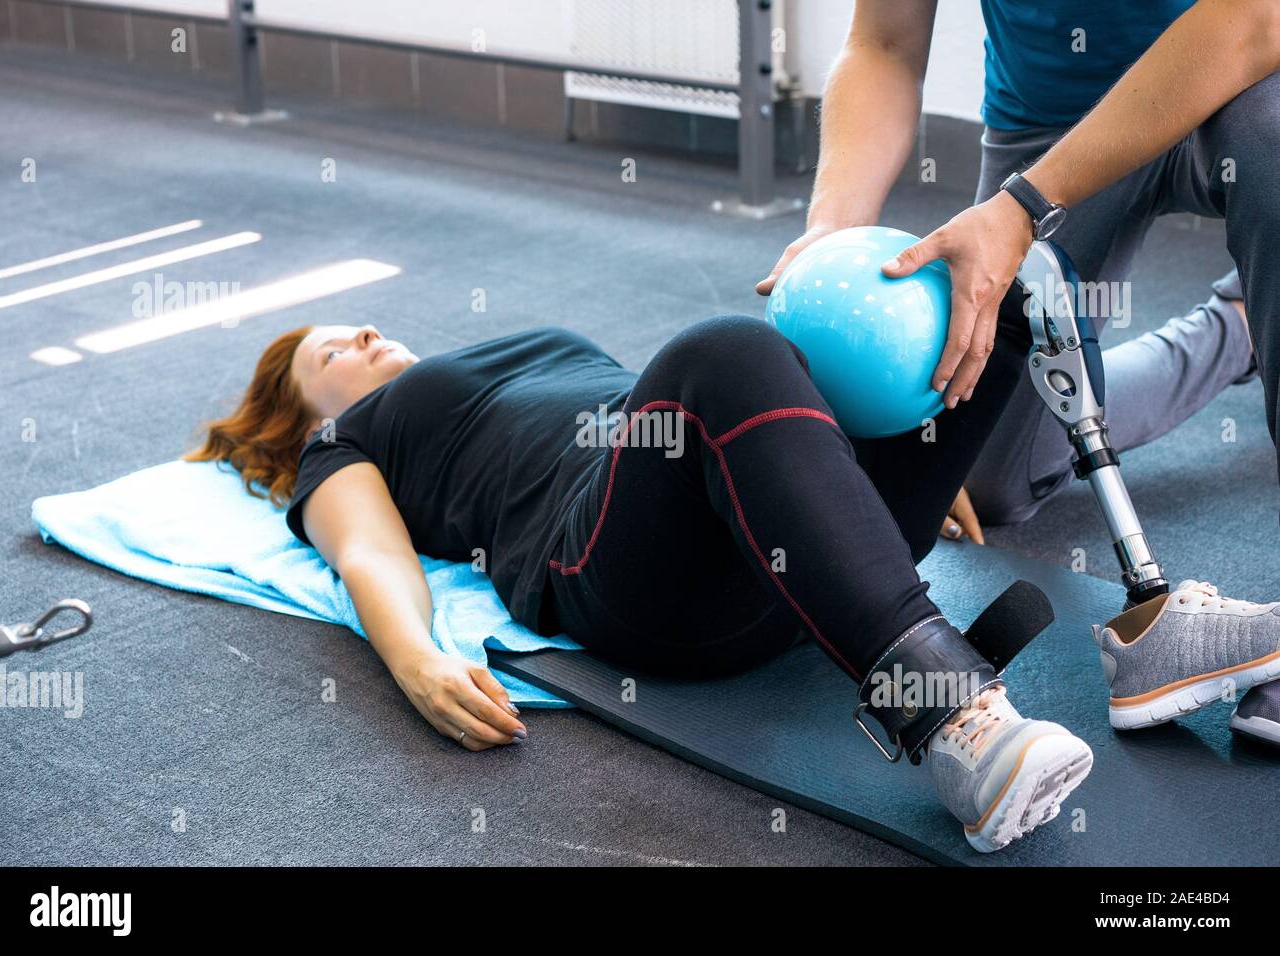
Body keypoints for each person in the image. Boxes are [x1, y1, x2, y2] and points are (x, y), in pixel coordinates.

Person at [186, 316, 1099, 853]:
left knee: (993, 304)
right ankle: (955, 720)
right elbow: (371, 555)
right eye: (330, 353)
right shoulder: (341, 444)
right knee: (723, 351)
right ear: (301, 413)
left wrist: (832, 479)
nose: (364, 334)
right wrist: (416, 658)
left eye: (357, 321)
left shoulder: (522, 345)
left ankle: (846, 540)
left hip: (754, 525)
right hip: (622, 565)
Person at [757, 0, 1274, 537]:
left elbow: (1257, 19)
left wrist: (1023, 208)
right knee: (983, 473)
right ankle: (1241, 330)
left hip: (1235, 83)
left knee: (1273, 142)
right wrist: (837, 232)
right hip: (1047, 128)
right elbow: (884, 44)